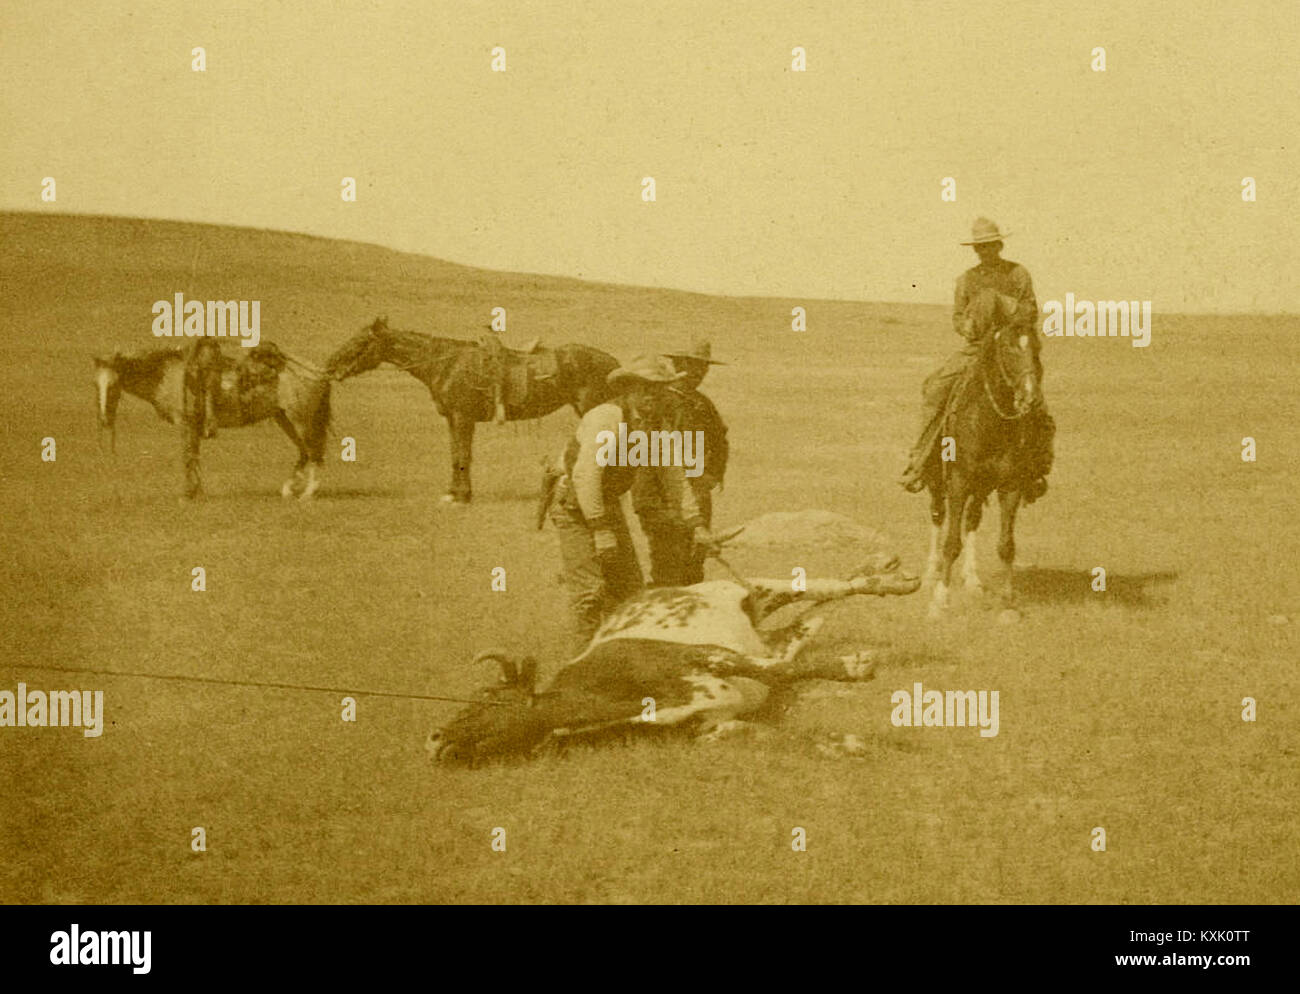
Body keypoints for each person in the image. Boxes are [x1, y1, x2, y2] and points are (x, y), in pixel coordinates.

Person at [549, 354, 719, 652]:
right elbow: (586, 475)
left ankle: (622, 658)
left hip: (606, 504)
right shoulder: (607, 417)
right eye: (649, 388)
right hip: (574, 506)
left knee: (629, 592)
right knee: (590, 593)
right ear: (631, 388)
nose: (656, 395)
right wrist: (601, 530)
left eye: (661, 388)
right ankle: (580, 672)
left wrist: (696, 525)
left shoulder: (657, 425)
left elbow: (674, 476)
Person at [899, 217, 1049, 499]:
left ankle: (1035, 468)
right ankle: (919, 460)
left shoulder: (1018, 274)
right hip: (976, 349)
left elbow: (1030, 312)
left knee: (1035, 399)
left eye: (989, 245)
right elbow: (958, 316)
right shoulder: (966, 279)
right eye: (979, 248)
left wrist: (1000, 303)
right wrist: (965, 326)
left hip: (1012, 345)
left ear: (999, 245)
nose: (984, 251)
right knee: (935, 390)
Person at [632, 337, 729, 586]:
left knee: (696, 558)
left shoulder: (702, 404)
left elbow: (721, 440)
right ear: (677, 364)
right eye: (692, 364)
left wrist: (713, 475)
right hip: (665, 496)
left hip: (697, 490)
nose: (699, 372)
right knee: (668, 562)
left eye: (703, 367)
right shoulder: (656, 402)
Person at [182, 337, 222, 498]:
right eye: (204, 356)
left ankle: (194, 489)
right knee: (190, 451)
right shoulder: (194, 374)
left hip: (195, 415)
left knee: (191, 451)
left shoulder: (208, 378)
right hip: (193, 413)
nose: (206, 360)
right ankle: (193, 488)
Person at [477, 328, 508, 424]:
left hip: (496, 367)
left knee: (497, 380)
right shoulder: (491, 341)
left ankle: (498, 409)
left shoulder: (491, 342)